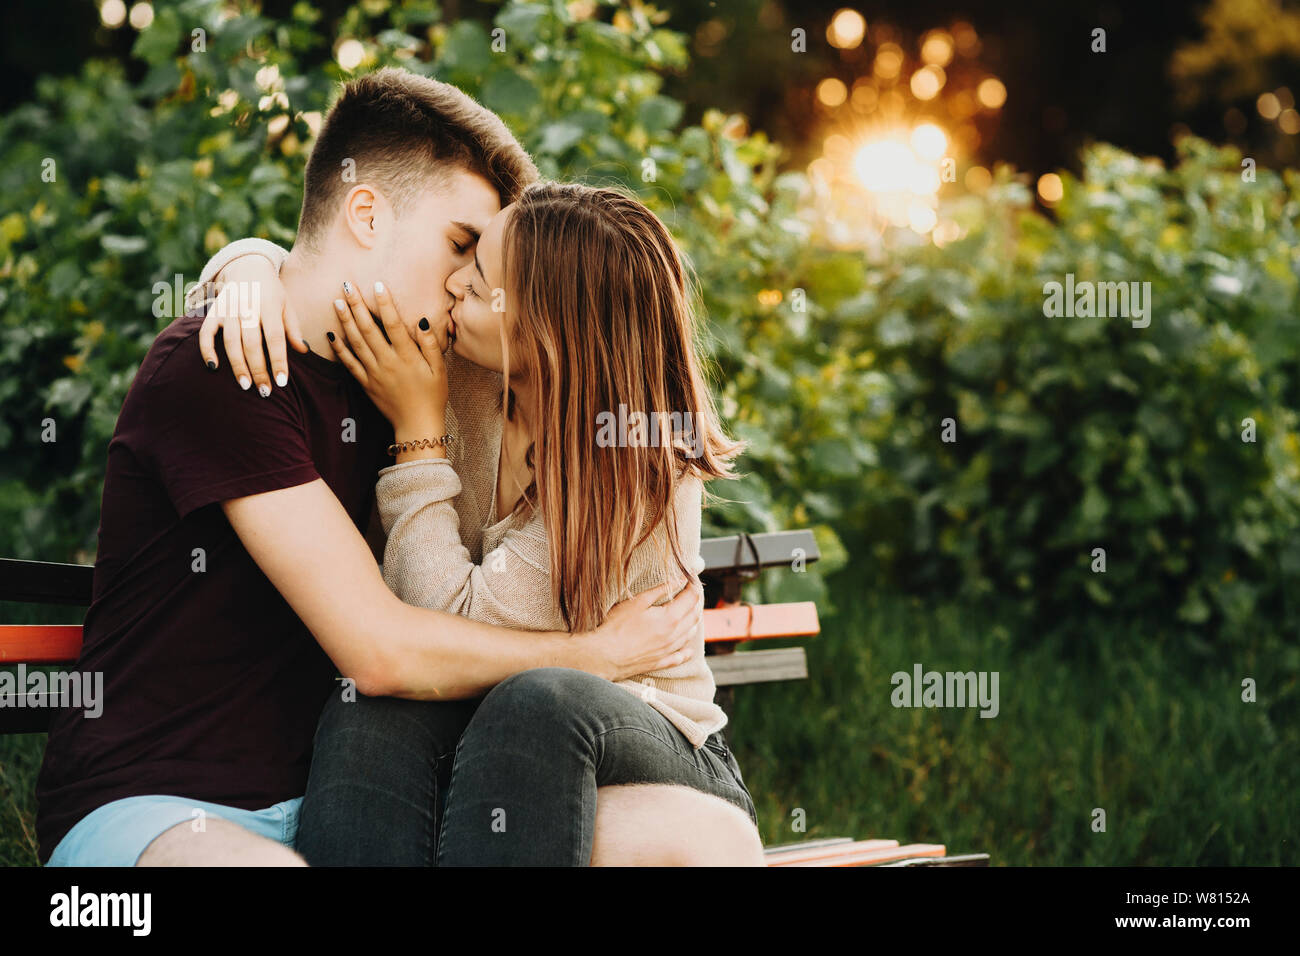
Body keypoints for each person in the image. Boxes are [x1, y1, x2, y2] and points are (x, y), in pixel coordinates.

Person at [34, 68, 703, 868]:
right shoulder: (225, 362)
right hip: (167, 804)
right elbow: (381, 653)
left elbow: (590, 336)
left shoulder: (408, 374)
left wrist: (246, 260)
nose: (464, 285)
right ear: (364, 209)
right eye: (460, 244)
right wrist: (595, 655)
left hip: (345, 805)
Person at [196, 181, 767, 866]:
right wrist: (248, 269)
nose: (454, 283)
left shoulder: (638, 463)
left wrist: (416, 433)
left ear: (548, 324)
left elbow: (444, 613)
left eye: (481, 275)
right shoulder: (459, 362)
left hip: (652, 742)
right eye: (465, 253)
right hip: (488, 736)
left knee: (540, 701)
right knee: (369, 709)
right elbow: (324, 269)